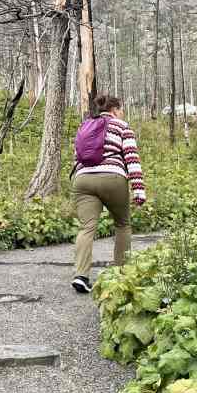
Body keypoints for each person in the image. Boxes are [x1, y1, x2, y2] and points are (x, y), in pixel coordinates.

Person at [70, 94, 146, 294]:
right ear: (114, 110)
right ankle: (122, 274)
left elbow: (77, 156)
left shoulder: (84, 126)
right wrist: (138, 189)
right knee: (123, 224)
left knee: (87, 228)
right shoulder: (122, 126)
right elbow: (132, 158)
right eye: (121, 110)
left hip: (83, 180)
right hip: (113, 178)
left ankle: (81, 275)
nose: (122, 114)